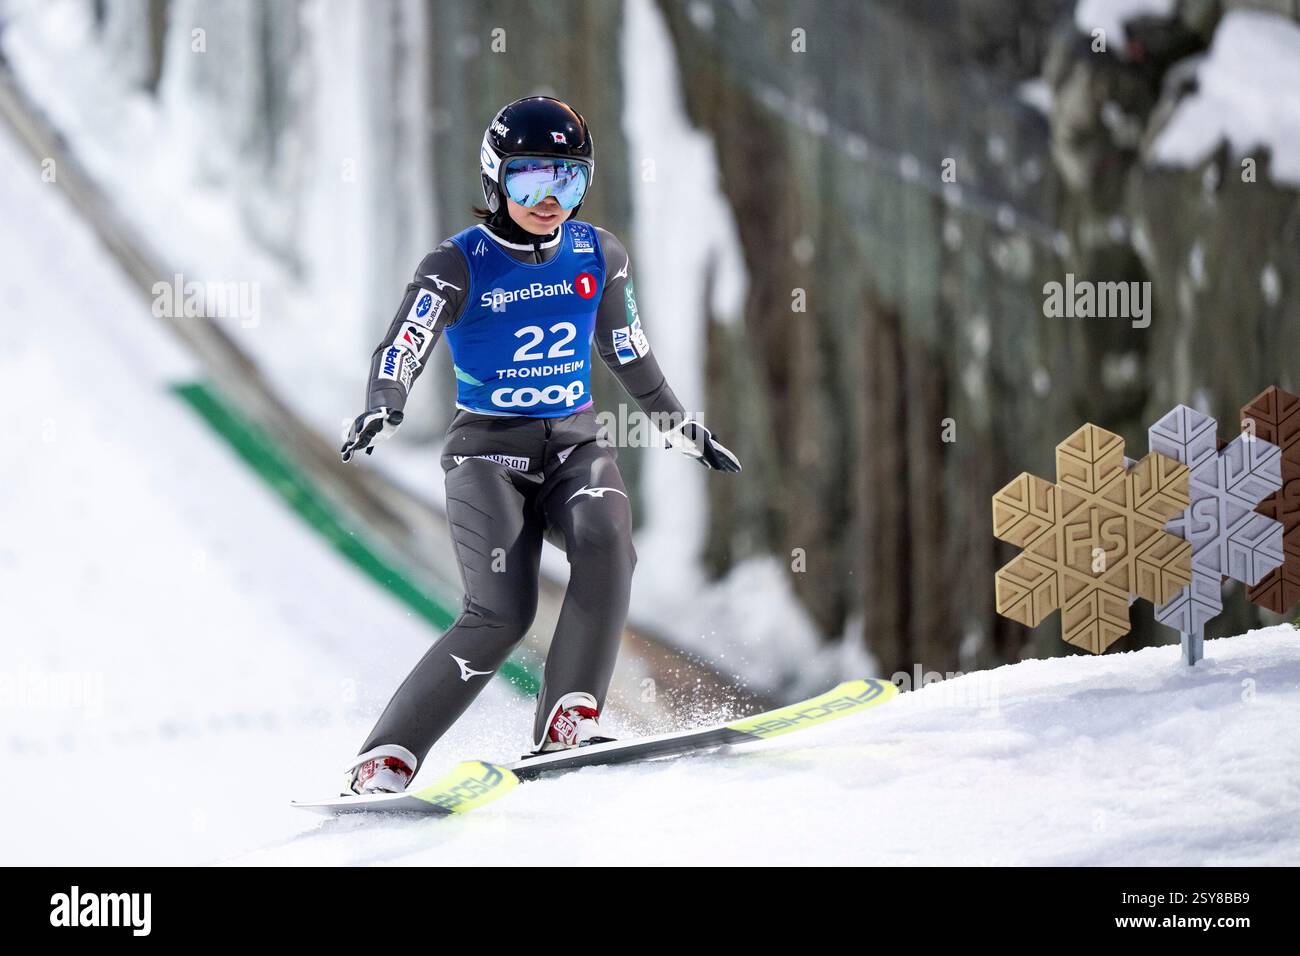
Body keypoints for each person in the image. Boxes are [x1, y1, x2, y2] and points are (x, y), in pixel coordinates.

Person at [338, 95, 741, 795]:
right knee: (501, 613)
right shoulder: (458, 263)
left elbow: (628, 349)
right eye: (529, 181)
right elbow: (405, 341)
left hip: (575, 447)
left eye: (569, 180)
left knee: (607, 535)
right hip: (487, 454)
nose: (551, 199)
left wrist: (679, 422)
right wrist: (384, 403)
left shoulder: (598, 253)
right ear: (495, 179)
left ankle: (568, 722)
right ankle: (385, 760)